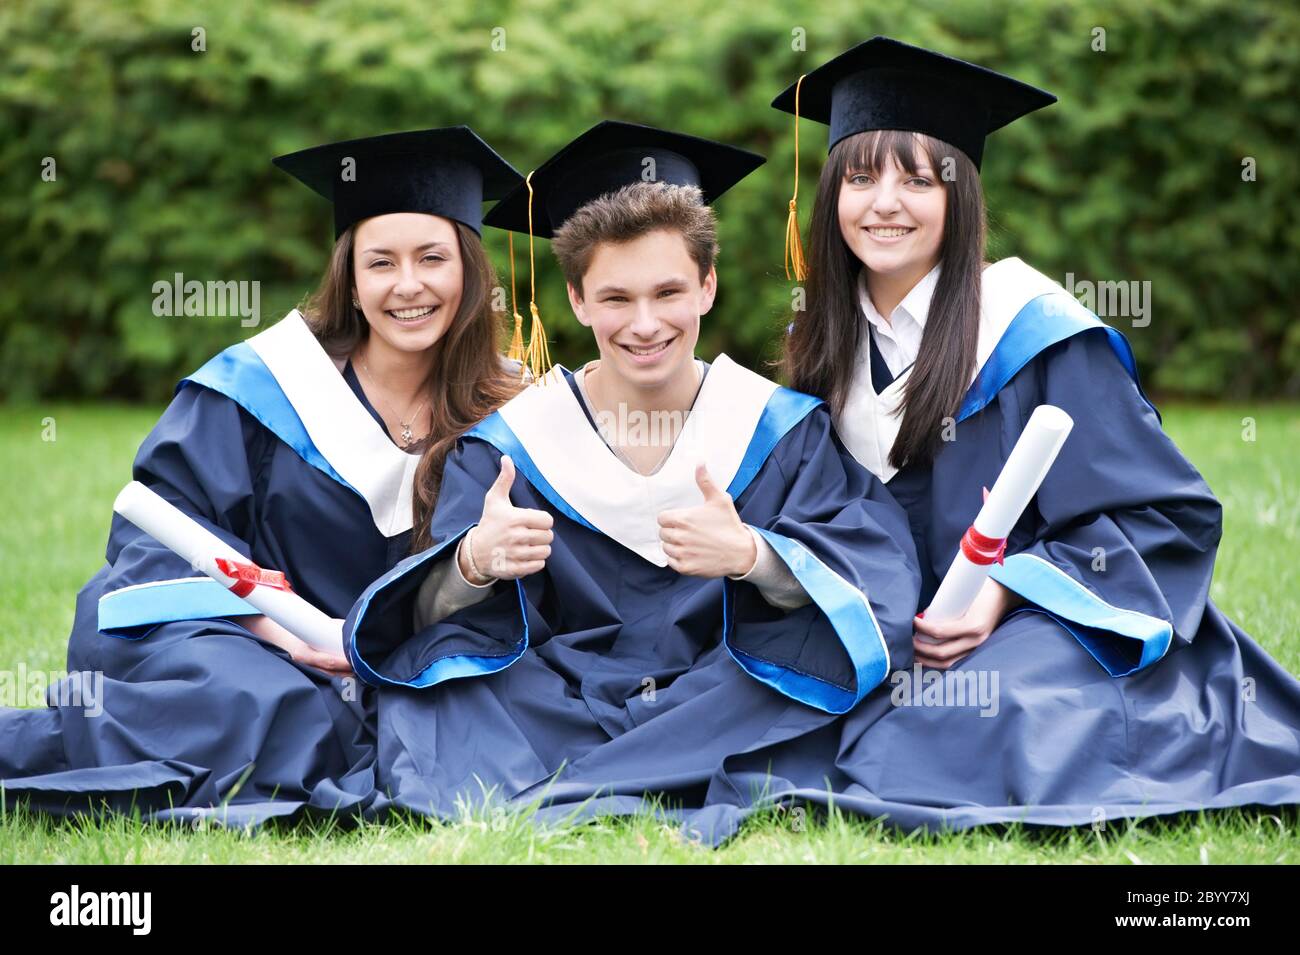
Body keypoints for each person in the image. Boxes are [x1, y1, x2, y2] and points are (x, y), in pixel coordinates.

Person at [712, 36, 1300, 837]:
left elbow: (1162, 516)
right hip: (893, 634)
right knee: (756, 698)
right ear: (827, 199)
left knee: (989, 712)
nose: (884, 202)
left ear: (960, 196)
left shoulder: (1038, 333)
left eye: (917, 178)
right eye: (860, 176)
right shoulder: (823, 349)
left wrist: (1008, 589)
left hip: (1047, 626)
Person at [340, 121, 922, 837]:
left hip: (721, 687)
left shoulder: (780, 431)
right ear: (578, 301)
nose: (645, 324)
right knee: (441, 678)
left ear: (707, 287)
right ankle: (670, 771)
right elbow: (417, 623)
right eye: (615, 299)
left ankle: (564, 786)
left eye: (668, 292)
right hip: (562, 699)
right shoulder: (512, 449)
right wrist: (471, 564)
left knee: (806, 666)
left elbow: (877, 584)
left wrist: (755, 557)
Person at [0, 127, 525, 826]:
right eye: (381, 262)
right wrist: (284, 635)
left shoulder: (509, 409)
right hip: (243, 639)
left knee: (474, 714)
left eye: (432, 257)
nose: (408, 285)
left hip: (404, 660)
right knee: (278, 710)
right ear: (352, 276)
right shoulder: (265, 384)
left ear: (469, 272)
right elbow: (160, 542)